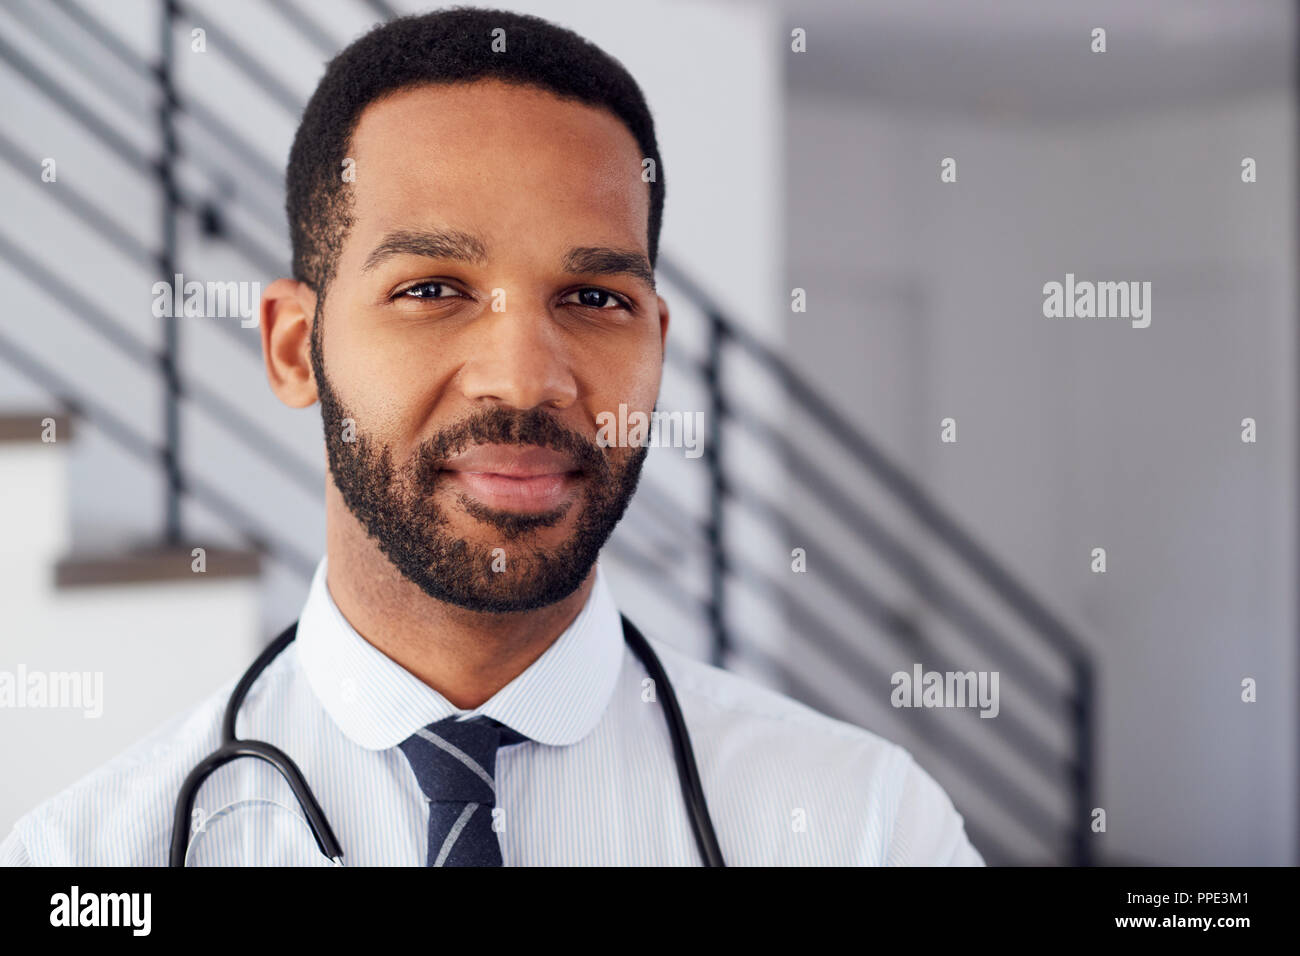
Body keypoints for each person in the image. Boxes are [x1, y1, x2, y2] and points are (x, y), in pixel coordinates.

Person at [0, 7, 982, 866]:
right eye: (431, 289)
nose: (524, 375)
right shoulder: (87, 856)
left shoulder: (868, 826)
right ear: (296, 349)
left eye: (594, 297)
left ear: (657, 344)